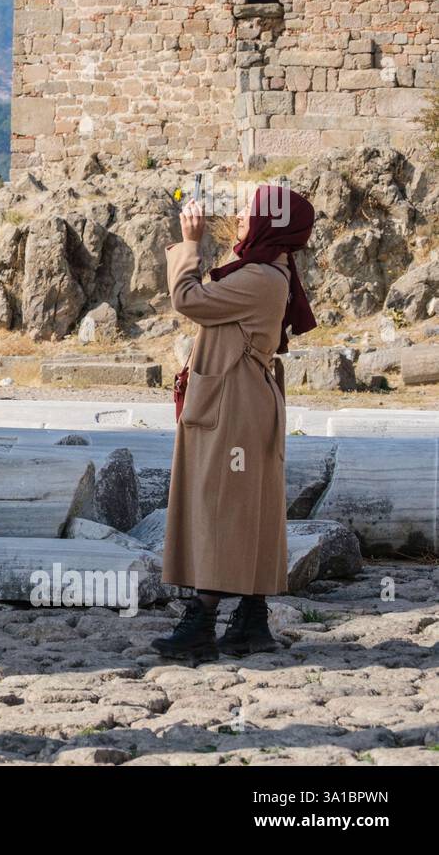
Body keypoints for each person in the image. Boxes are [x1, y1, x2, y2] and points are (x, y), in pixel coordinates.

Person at [152, 184, 317, 663]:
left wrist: (190, 244)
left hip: (235, 406)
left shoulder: (261, 278)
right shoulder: (262, 271)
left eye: (251, 210)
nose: (242, 214)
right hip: (236, 399)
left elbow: (188, 299)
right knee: (246, 505)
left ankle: (201, 623)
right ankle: (251, 621)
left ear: (272, 223)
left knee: (220, 504)